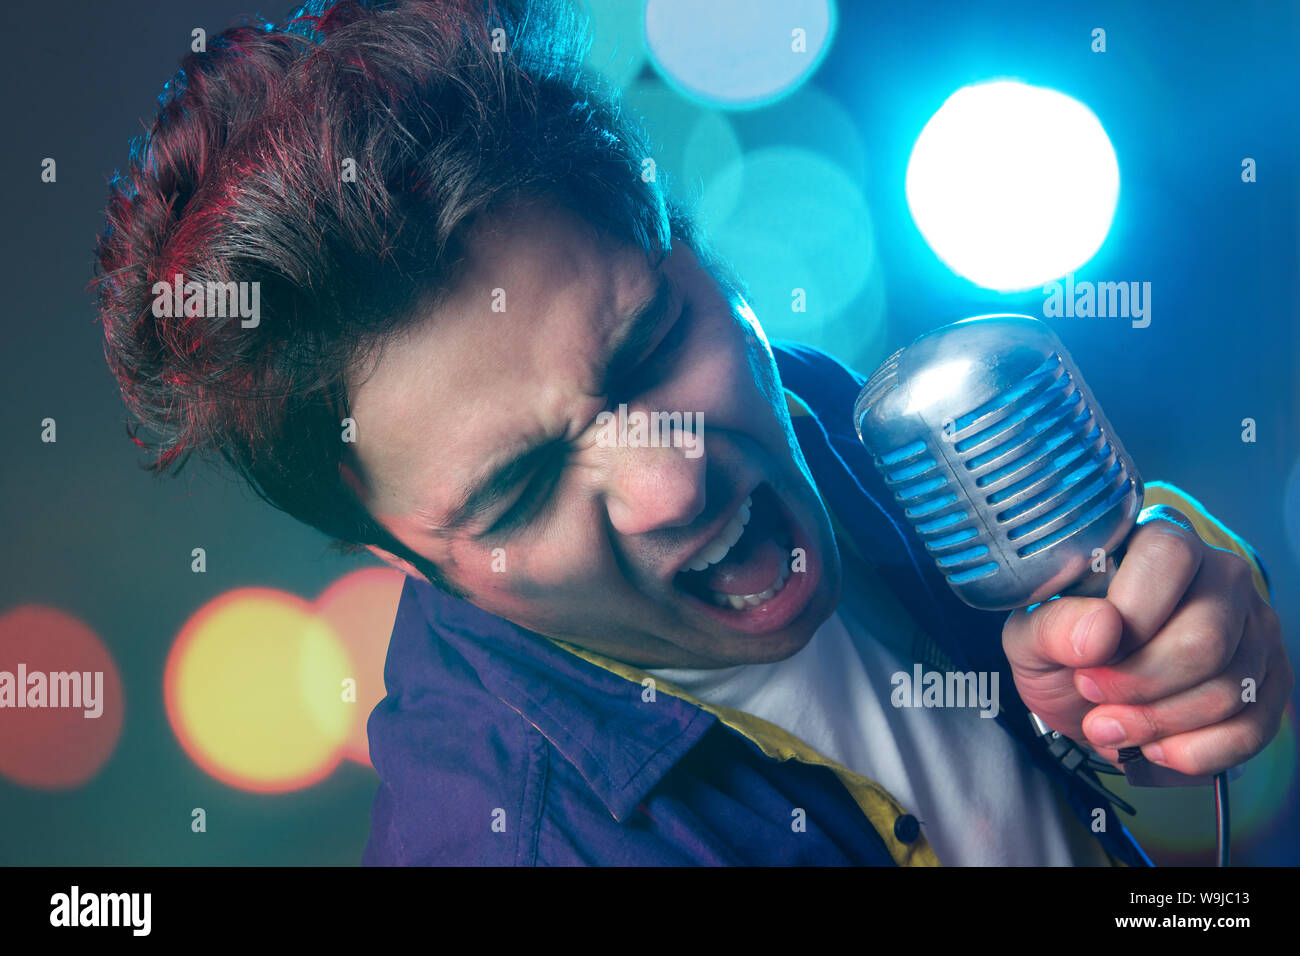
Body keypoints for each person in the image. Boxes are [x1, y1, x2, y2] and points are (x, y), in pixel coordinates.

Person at [92, 0, 1291, 865]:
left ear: (699, 253)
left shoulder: (849, 420)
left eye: (651, 347)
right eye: (519, 491)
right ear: (408, 561)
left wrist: (1183, 683)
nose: (673, 483)